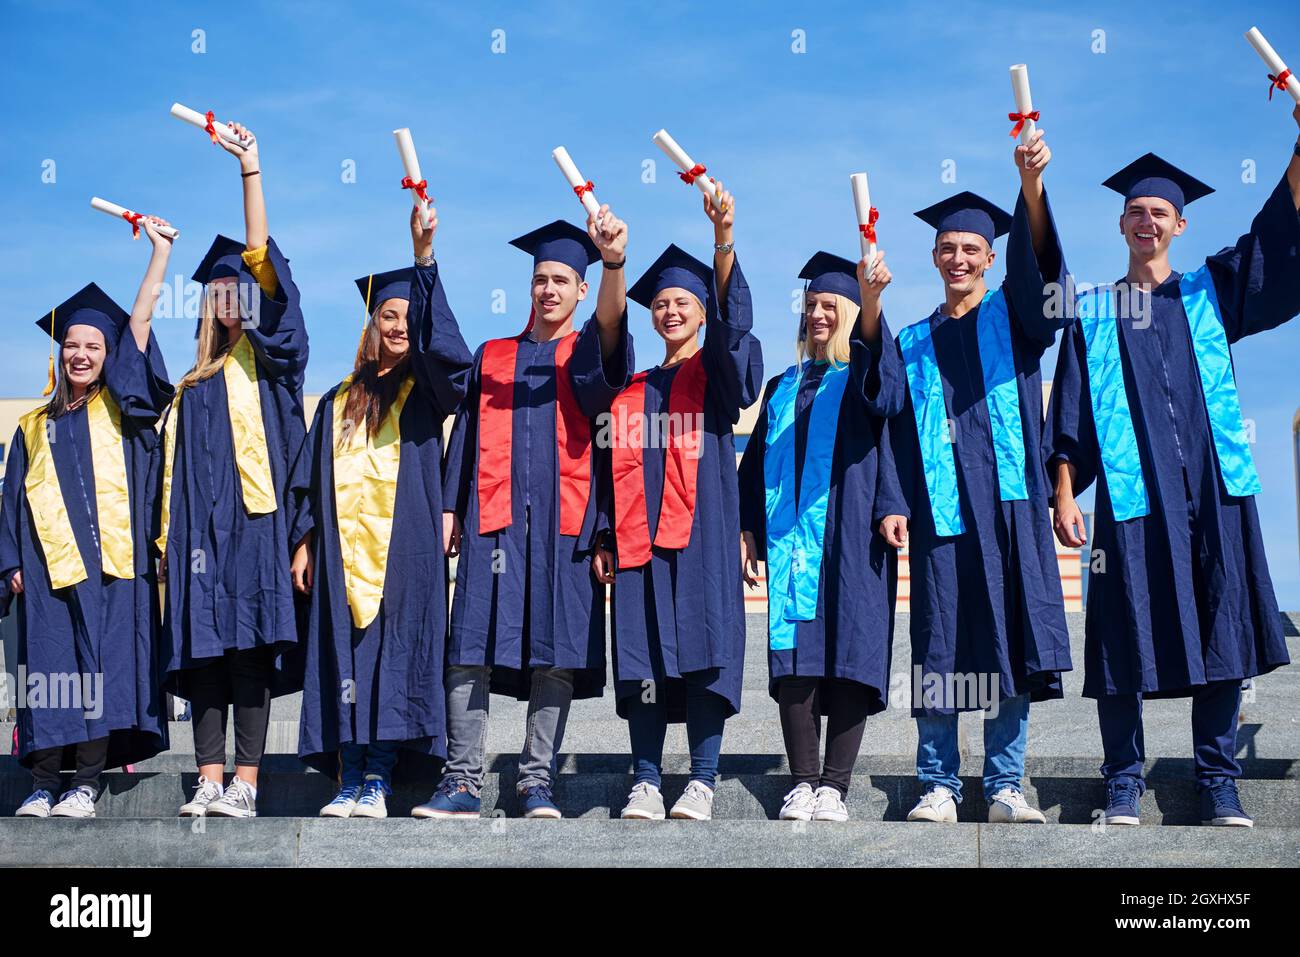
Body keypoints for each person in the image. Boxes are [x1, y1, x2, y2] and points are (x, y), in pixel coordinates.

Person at [1047, 106, 1300, 828]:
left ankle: (1220, 780)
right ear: (1121, 225)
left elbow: (1274, 237)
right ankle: (1121, 782)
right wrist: (1065, 492)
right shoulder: (1092, 313)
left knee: (1223, 629)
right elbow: (1068, 417)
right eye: (1136, 211)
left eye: (1160, 211)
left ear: (1180, 225)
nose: (1147, 221)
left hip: (1215, 493)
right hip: (1131, 499)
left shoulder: (1210, 293)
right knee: (1122, 633)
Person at [414, 208, 632, 819]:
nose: (549, 289)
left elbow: (613, 333)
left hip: (568, 525)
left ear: (582, 289)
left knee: (556, 649)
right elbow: (468, 432)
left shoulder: (588, 356)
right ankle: (461, 782)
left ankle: (537, 782)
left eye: (563, 280)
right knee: (469, 645)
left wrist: (613, 259)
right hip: (494, 522)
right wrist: (453, 505)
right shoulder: (493, 356)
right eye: (542, 279)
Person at [890, 129, 1071, 824]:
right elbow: (892, 434)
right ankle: (937, 781)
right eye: (948, 248)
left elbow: (1044, 280)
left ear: (991, 258)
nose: (959, 256)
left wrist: (1030, 188)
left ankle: (1003, 783)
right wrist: (893, 500)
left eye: (972, 248)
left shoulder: (1016, 319)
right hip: (942, 512)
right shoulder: (909, 343)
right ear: (934, 258)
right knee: (939, 641)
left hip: (1011, 508)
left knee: (1013, 636)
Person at [292, 206, 473, 818]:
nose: (398, 325)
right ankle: (349, 775)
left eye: (407, 316)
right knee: (346, 656)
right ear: (371, 325)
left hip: (408, 548)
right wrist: (306, 539)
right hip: (343, 555)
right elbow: (311, 482)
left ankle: (380, 777)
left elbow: (453, 361)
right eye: (387, 315)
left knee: (396, 656)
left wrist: (424, 259)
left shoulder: (426, 389)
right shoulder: (339, 401)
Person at [591, 182, 763, 821]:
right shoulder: (632, 388)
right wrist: (606, 532)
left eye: (682, 302)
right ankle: (644, 778)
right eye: (659, 303)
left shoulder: (715, 375)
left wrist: (722, 241)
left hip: (702, 538)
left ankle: (703, 780)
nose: (668, 311)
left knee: (703, 647)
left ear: (700, 312)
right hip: (637, 543)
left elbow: (734, 337)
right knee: (642, 652)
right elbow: (610, 468)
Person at [155, 121, 310, 819]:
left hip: (258, 533)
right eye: (220, 290)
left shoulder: (274, 364)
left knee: (249, 652)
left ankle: (246, 781)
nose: (231, 297)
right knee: (205, 657)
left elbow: (265, 267)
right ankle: (208, 778)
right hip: (197, 542)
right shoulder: (188, 388)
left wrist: (251, 171)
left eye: (241, 288)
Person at [3, 216, 176, 818]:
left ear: (109, 357)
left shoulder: (125, 416)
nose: (80, 354)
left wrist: (157, 259)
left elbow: (141, 330)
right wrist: (11, 566)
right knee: (50, 670)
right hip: (48, 571)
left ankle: (88, 782)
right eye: (71, 345)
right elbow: (10, 505)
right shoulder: (32, 427)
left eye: (93, 346)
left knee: (101, 673)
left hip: (113, 566)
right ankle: (45, 782)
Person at [737, 246, 901, 823]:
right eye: (811, 305)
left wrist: (875, 301)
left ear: (854, 314)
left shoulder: (862, 375)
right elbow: (754, 462)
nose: (818, 315)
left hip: (853, 540)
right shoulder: (783, 386)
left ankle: (835, 785)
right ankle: (802, 782)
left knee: (851, 654)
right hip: (791, 547)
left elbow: (890, 414)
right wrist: (748, 528)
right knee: (796, 660)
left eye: (831, 304)